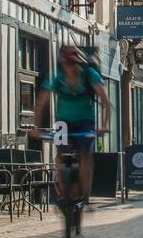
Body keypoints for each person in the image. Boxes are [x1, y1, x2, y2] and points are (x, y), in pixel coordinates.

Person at [33, 46, 111, 204]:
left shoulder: (90, 75)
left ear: (79, 63)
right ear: (62, 64)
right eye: (67, 63)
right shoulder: (57, 77)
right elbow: (41, 103)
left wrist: (103, 125)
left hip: (85, 120)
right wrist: (36, 128)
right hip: (63, 120)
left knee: (84, 155)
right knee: (60, 154)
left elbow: (105, 102)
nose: (70, 67)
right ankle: (62, 189)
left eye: (74, 63)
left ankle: (86, 196)